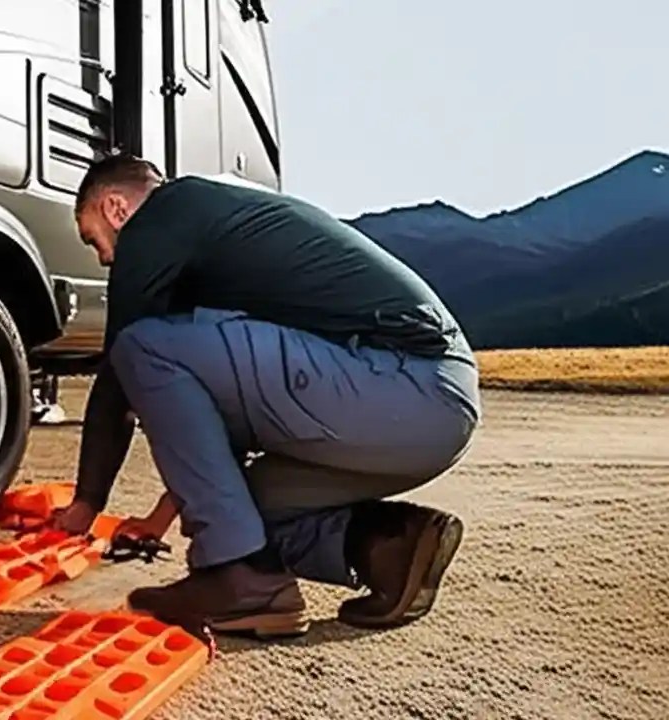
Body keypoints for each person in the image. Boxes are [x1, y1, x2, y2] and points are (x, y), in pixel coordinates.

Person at [48, 153, 481, 638]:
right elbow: (214, 410)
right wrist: (159, 518)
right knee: (246, 512)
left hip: (404, 378)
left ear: (116, 209)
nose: (106, 258)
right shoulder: (211, 234)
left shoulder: (165, 213)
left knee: (140, 345)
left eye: (94, 241)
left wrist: (86, 504)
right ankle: (389, 548)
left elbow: (118, 376)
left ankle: (239, 580)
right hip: (424, 411)